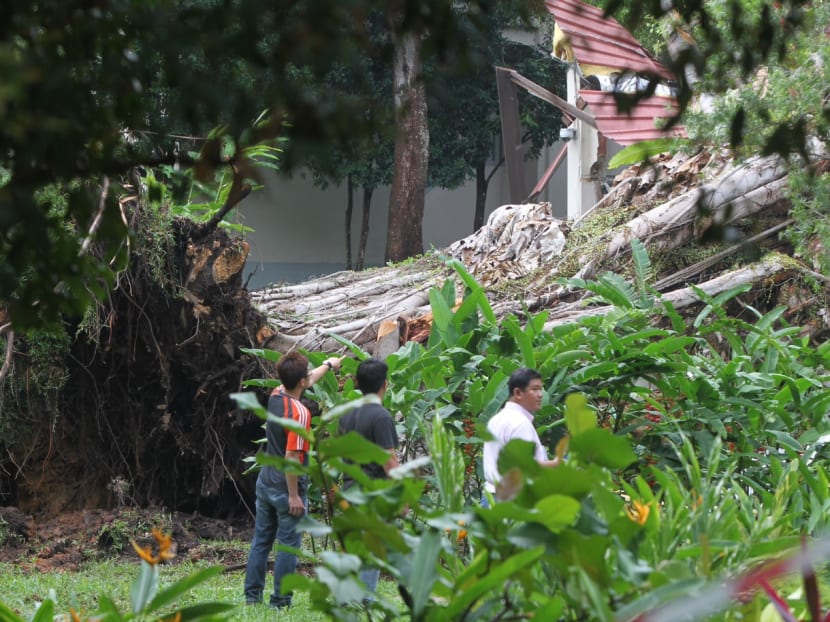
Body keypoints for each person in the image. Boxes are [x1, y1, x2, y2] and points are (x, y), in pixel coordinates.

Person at [244, 351, 341, 609]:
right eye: (306, 374)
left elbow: (307, 380)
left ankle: (252, 598)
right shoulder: (299, 414)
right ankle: (280, 602)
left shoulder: (276, 395)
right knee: (288, 546)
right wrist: (294, 495)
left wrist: (328, 365)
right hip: (286, 485)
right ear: (301, 382)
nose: (309, 378)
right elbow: (292, 456)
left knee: (261, 541)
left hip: (265, 480)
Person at [337, 357, 398, 598]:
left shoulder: (347, 416)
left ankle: (344, 602)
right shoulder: (381, 417)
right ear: (385, 384)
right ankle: (365, 603)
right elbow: (390, 461)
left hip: (349, 489)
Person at [482, 367, 559, 503]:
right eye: (535, 389)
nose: (540, 394)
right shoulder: (519, 424)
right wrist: (556, 464)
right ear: (518, 392)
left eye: (540, 389)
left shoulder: (496, 419)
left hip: (491, 496)